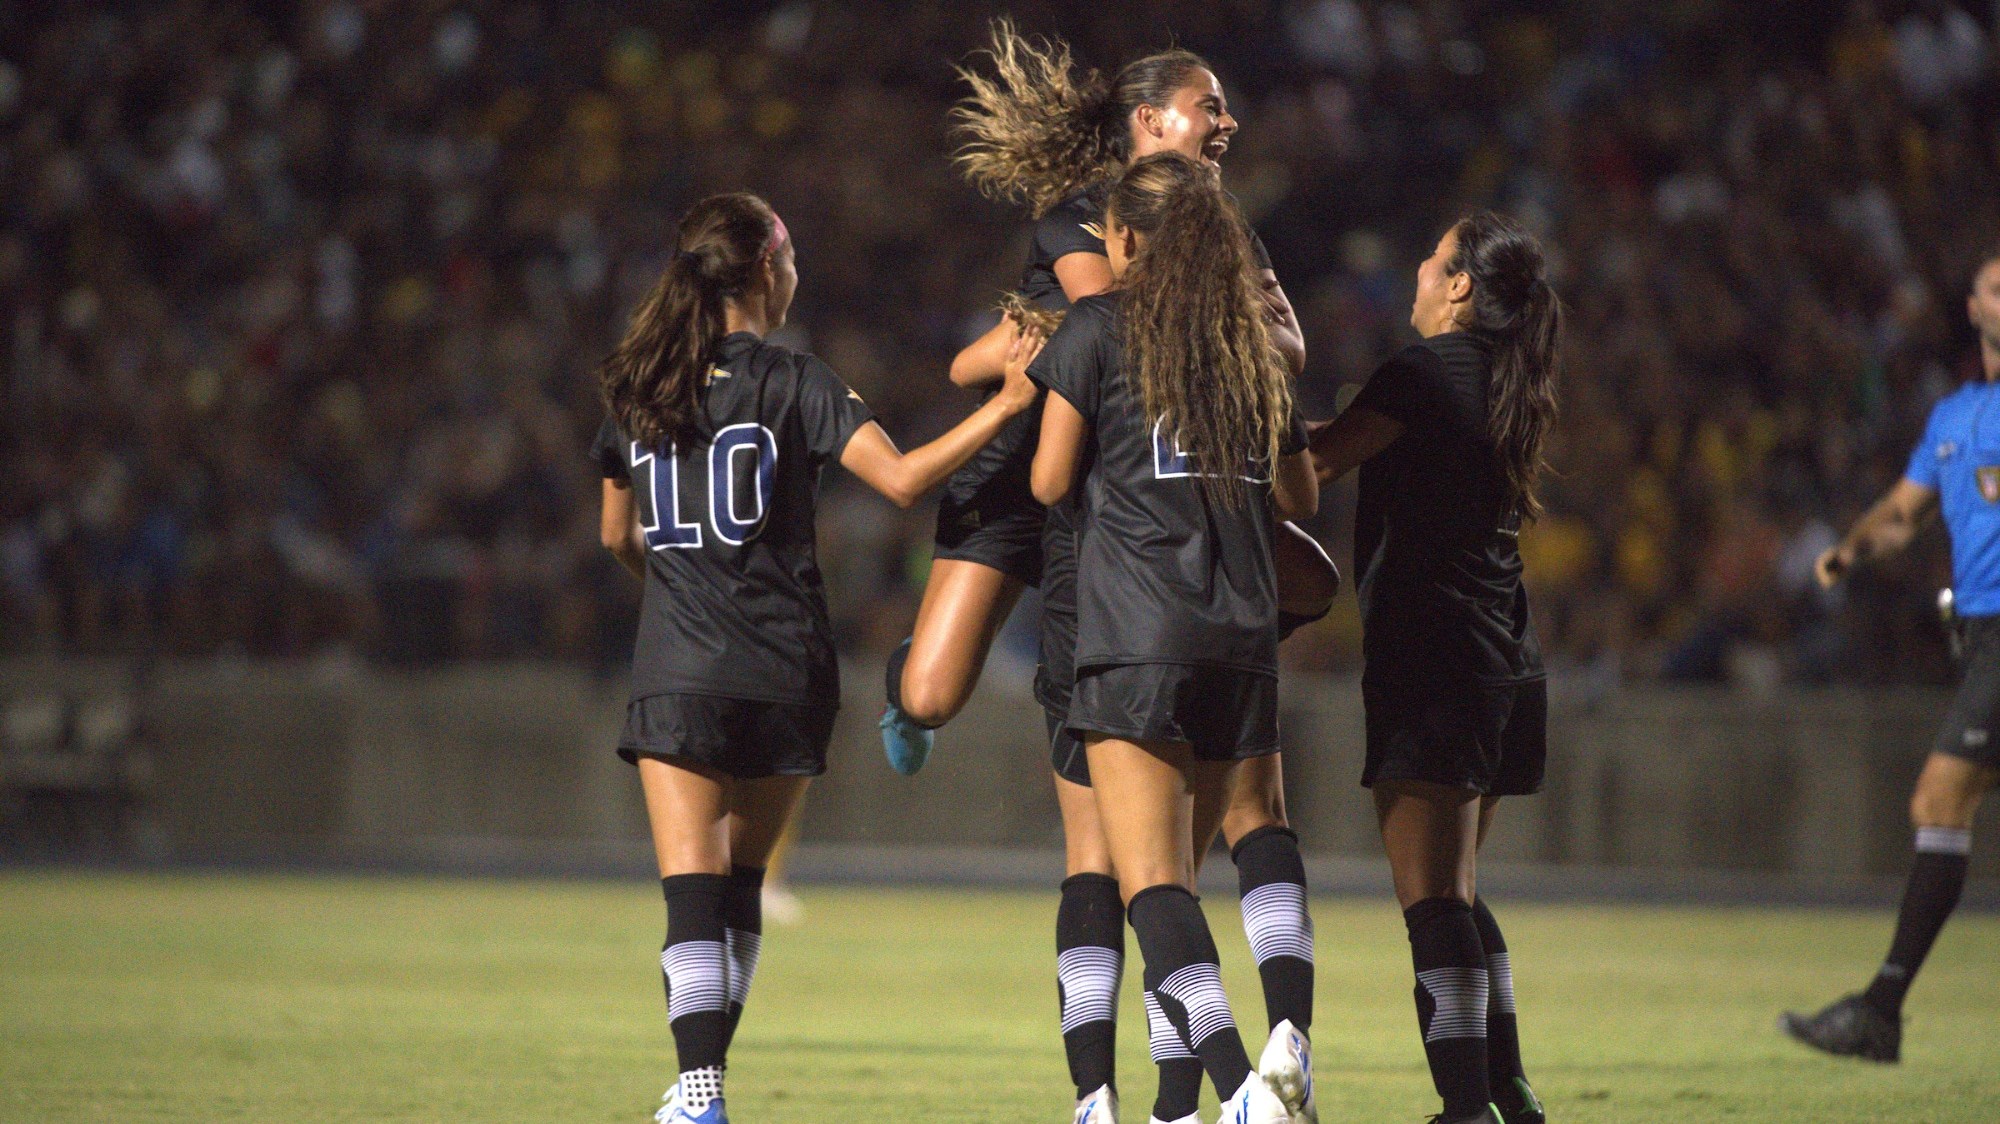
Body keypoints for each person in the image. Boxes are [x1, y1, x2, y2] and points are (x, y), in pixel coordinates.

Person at [907, 22, 1333, 1124]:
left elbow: (1106, 370)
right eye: (1208, 104)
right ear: (1148, 123)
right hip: (1152, 556)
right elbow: (1044, 358)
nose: (1226, 122)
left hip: (1122, 569)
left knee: (1124, 862)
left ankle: (1170, 1096)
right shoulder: (1096, 239)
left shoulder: (1159, 272)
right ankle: (1205, 1084)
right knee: (939, 697)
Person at [593, 191, 1042, 1124]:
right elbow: (908, 478)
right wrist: (1008, 403)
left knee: (690, 888)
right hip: (784, 667)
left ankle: (700, 1092)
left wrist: (684, 578)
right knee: (743, 890)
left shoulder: (638, 389)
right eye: (791, 254)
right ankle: (699, 1087)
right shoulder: (796, 381)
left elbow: (617, 539)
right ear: (765, 267)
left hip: (680, 662)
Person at [1031, 151, 1319, 1124]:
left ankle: (1241, 1088)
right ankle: (1286, 1043)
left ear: (1122, 239)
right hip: (1240, 628)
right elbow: (1300, 496)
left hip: (1134, 627)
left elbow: (1045, 478)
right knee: (1261, 826)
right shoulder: (1248, 343)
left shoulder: (1098, 325)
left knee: (1153, 877)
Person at [1307, 212, 1560, 1124]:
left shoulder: (1422, 370)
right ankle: (1507, 1093)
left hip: (1437, 659)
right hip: (1505, 659)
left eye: (1431, 255)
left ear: (1457, 285)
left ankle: (1467, 1110)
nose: (1416, 269)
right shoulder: (1502, 375)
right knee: (1457, 893)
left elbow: (1317, 465)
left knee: (1432, 905)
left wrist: (1212, 430)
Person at [1781, 245, 2000, 1064]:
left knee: (1940, 800)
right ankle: (1882, 1011)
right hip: (1979, 638)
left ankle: (1881, 1010)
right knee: (1944, 806)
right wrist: (1848, 551)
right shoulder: (1953, 418)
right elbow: (1906, 516)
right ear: (1973, 308)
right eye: (1996, 287)